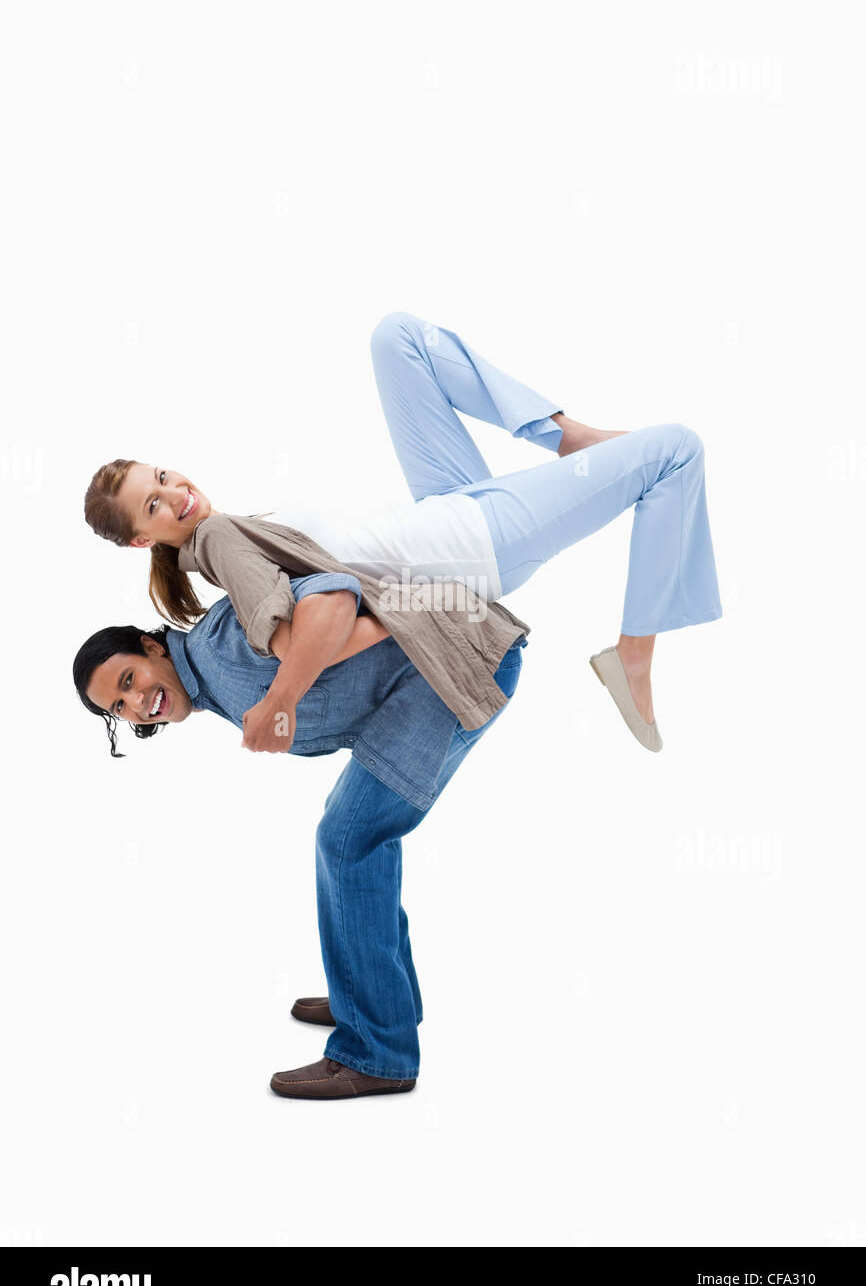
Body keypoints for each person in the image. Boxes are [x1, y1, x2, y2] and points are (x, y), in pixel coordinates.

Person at [83, 312, 723, 752]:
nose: (175, 493)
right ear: (145, 540)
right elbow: (300, 640)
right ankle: (634, 655)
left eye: (162, 477)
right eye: (154, 506)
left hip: (444, 509)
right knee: (676, 451)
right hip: (472, 544)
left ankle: (566, 437)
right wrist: (289, 697)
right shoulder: (218, 540)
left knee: (397, 338)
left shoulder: (222, 538)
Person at [73, 566, 527, 1099]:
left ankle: (379, 1053)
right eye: (119, 707)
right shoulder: (210, 681)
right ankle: (370, 990)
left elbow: (328, 591)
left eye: (129, 681)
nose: (136, 704)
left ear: (152, 647)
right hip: (428, 676)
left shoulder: (221, 646)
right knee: (347, 831)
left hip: (454, 664)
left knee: (349, 841)